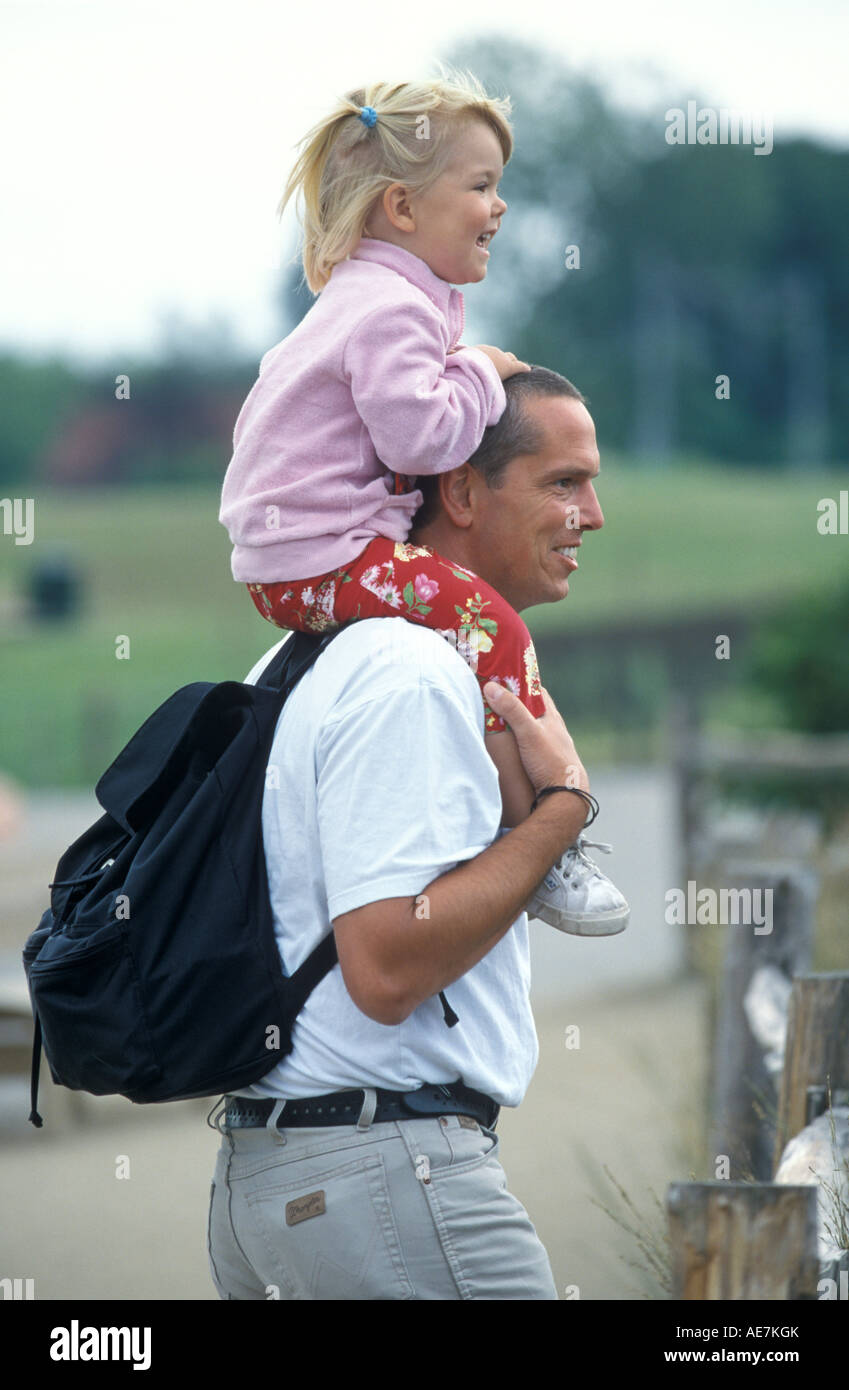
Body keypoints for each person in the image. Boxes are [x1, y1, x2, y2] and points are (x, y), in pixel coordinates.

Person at [206, 367, 622, 1301]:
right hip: (383, 1172)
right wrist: (560, 812)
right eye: (562, 482)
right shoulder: (412, 669)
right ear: (462, 490)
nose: (591, 515)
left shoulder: (308, 650)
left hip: (287, 1180)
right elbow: (386, 965)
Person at [218, 70, 627, 932]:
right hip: (323, 557)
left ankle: (519, 822)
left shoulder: (373, 299)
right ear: (402, 209)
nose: (499, 207)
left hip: (301, 554)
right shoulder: (389, 309)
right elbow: (421, 442)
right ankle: (545, 843)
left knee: (473, 636)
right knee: (495, 633)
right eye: (479, 186)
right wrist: (480, 371)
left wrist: (463, 361)